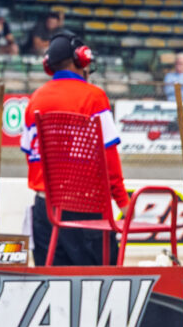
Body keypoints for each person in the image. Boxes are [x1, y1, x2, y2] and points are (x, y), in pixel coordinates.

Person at [20, 31, 126, 266]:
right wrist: (122, 202)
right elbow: (109, 159)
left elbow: (29, 154)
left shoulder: (35, 99)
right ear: (82, 59)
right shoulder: (94, 97)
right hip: (87, 210)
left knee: (52, 288)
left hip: (45, 210)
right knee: (100, 289)